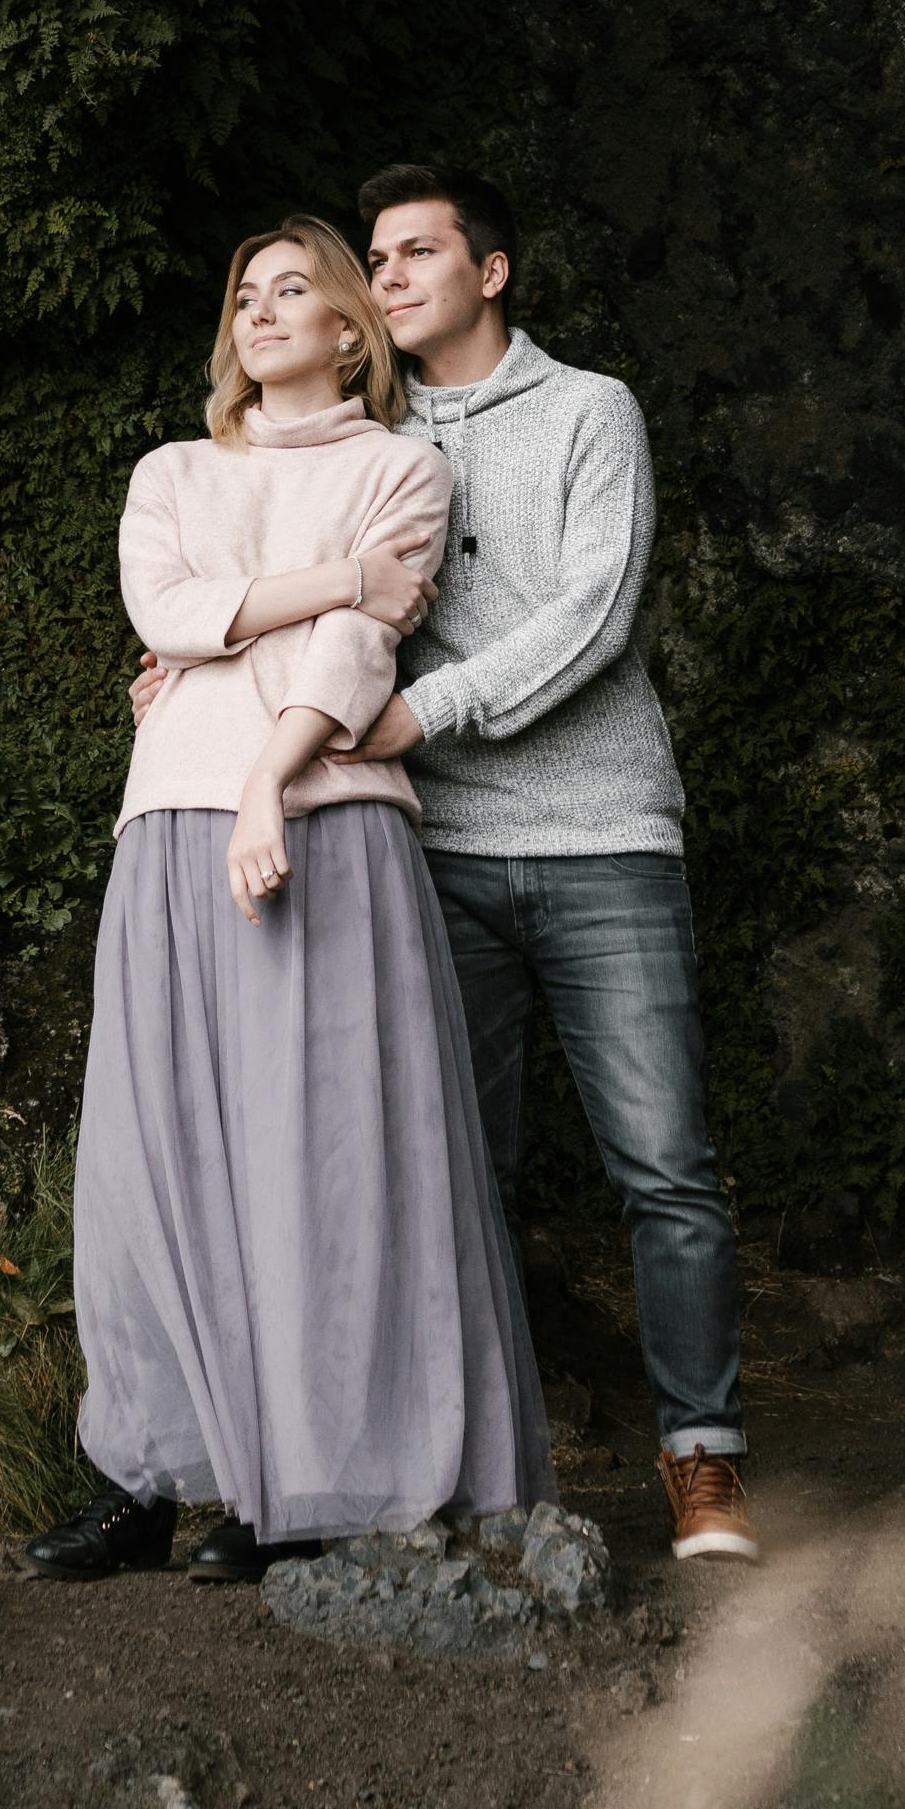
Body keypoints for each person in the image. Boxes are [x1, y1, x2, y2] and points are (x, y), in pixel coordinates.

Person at [31, 215, 551, 1586]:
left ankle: (299, 1489)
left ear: (348, 330)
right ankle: (146, 1478)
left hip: (316, 826)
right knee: (149, 1168)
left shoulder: (404, 468)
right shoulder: (172, 473)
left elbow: (360, 644)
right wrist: (313, 583)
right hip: (167, 824)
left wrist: (269, 773)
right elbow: (168, 613)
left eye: (294, 291)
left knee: (314, 1159)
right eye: (243, 292)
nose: (261, 312)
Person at [343, 161, 755, 1562]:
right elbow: (293, 581)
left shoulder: (591, 412)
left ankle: (703, 1463)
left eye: (413, 254)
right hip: (436, 852)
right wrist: (192, 659)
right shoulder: (364, 437)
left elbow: (593, 616)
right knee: (458, 1171)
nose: (386, 277)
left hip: (603, 844)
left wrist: (423, 712)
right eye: (375, 259)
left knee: (666, 1167)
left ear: (491, 270)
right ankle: (480, 1467)